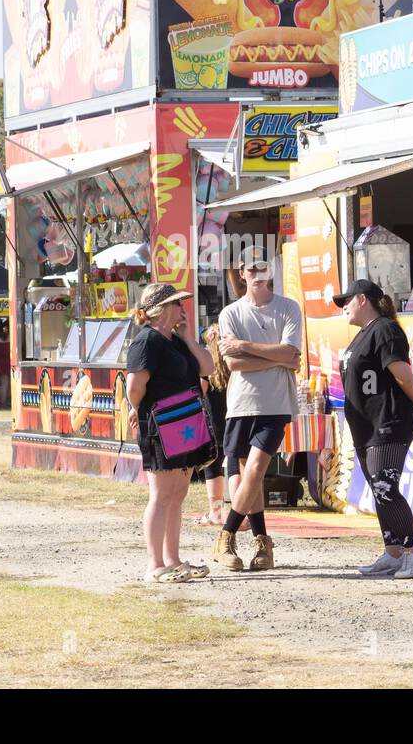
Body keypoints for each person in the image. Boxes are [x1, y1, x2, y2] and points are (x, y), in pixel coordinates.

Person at [330, 280, 413, 579]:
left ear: (363, 299)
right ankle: (393, 553)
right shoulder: (363, 335)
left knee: (385, 488)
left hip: (388, 423)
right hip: (366, 427)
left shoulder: (385, 329)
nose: (344, 308)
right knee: (379, 492)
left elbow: (401, 372)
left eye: (347, 301)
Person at [213, 245, 302, 573]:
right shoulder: (230, 313)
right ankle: (263, 542)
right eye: (250, 268)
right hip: (240, 404)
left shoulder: (289, 308)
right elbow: (233, 363)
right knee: (246, 479)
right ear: (241, 273)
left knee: (255, 471)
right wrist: (277, 356)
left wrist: (247, 347)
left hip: (275, 403)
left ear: (271, 271)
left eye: (262, 266)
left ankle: (226, 535)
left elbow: (291, 351)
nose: (256, 273)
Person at [126, 282, 217, 583]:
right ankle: (154, 564)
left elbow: (208, 367)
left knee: (177, 494)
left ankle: (173, 559)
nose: (183, 308)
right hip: (160, 426)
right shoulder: (147, 341)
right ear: (162, 309)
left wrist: (188, 337)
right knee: (161, 494)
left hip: (185, 424)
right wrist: (138, 411)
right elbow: (134, 387)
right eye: (177, 303)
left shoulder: (177, 341)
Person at [194, 324, 230, 526]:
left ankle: (215, 513)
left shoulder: (207, 369)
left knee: (212, 466)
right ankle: (239, 513)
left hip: (212, 423)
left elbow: (200, 393)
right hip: (233, 420)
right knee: (234, 466)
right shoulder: (234, 366)